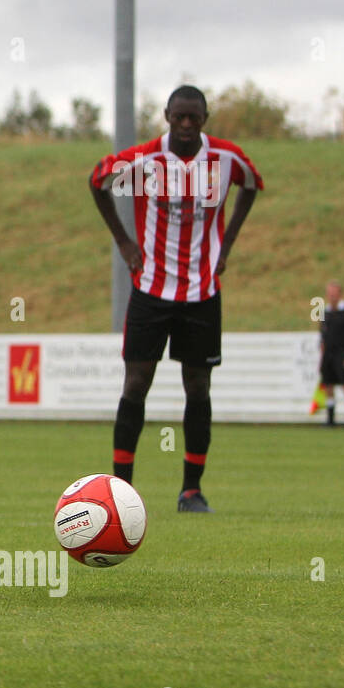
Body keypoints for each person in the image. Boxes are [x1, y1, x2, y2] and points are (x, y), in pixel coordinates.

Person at [89, 85, 262, 513]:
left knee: (198, 387)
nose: (186, 125)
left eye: (194, 117)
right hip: (151, 288)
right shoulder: (146, 159)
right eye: (179, 117)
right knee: (136, 384)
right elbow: (98, 180)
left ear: (205, 117)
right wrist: (124, 242)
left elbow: (252, 185)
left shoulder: (225, 158)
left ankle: (191, 490)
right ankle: (121, 491)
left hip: (202, 291)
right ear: (167, 115)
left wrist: (228, 244)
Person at [319, 280, 344, 429]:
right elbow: (322, 337)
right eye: (329, 294)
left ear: (340, 294)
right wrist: (321, 358)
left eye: (334, 294)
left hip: (342, 354)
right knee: (328, 386)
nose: (331, 297)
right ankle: (330, 420)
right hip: (328, 355)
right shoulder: (325, 312)